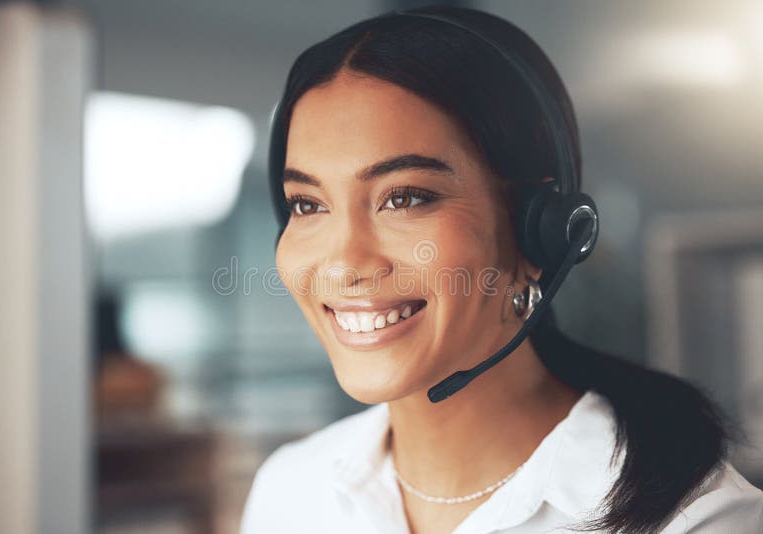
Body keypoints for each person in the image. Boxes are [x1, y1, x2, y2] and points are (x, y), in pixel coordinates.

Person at [240, 5, 763, 533]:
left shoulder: (696, 521)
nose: (345, 263)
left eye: (404, 198)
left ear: (543, 230)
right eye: (308, 205)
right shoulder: (290, 491)